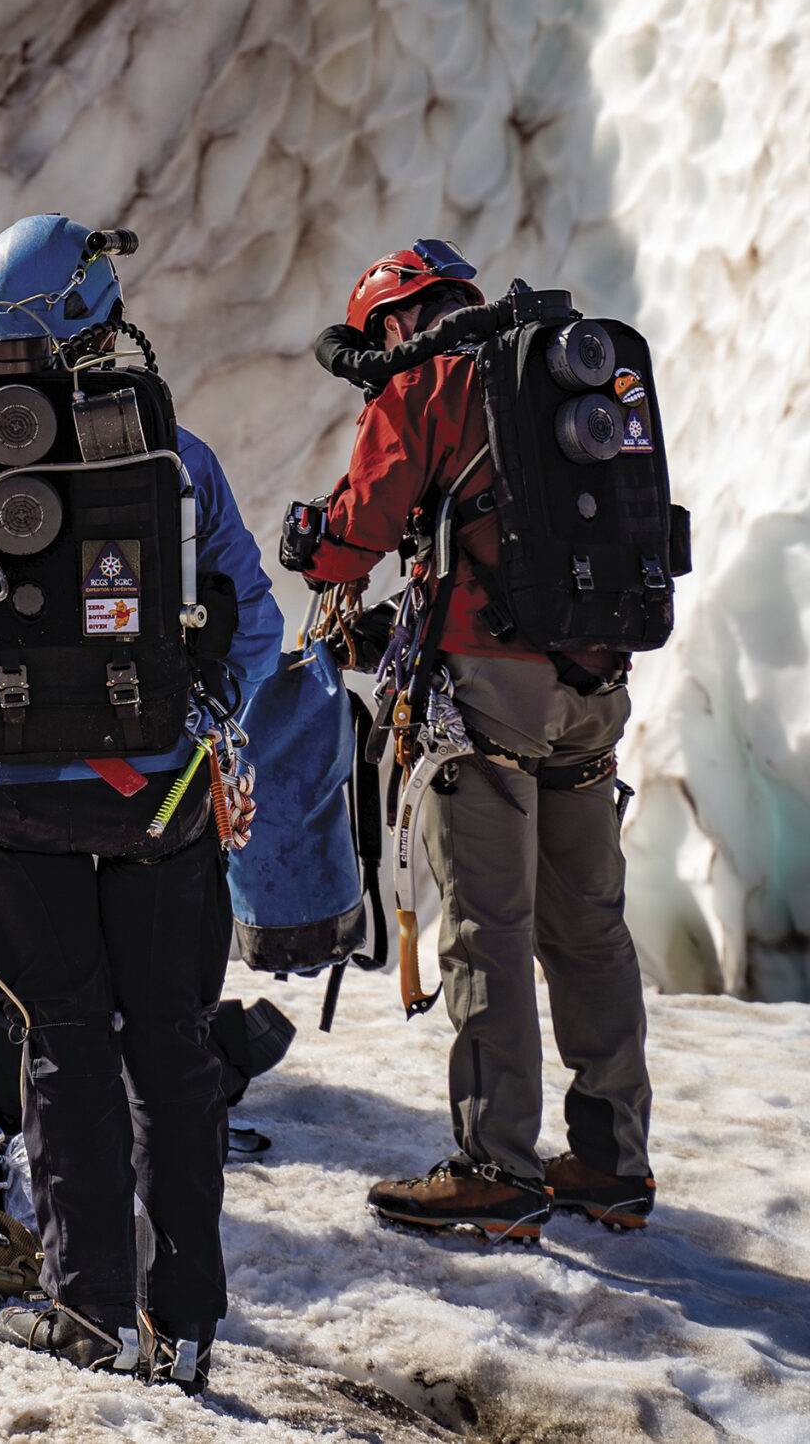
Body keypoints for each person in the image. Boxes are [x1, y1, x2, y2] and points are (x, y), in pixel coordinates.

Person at [0, 215, 281, 1393]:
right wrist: (187, 711)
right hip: (158, 804)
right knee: (173, 1050)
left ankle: (87, 1306)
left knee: (62, 1048)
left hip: (8, 810)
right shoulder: (174, 459)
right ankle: (184, 1322)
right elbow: (252, 622)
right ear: (95, 313)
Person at [297, 239, 655, 1238]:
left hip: (486, 691)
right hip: (592, 676)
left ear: (393, 319)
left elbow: (353, 529)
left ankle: (496, 1166)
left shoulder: (428, 376)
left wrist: (305, 538)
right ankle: (610, 1158)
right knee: (587, 927)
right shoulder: (563, 372)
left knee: (486, 926)